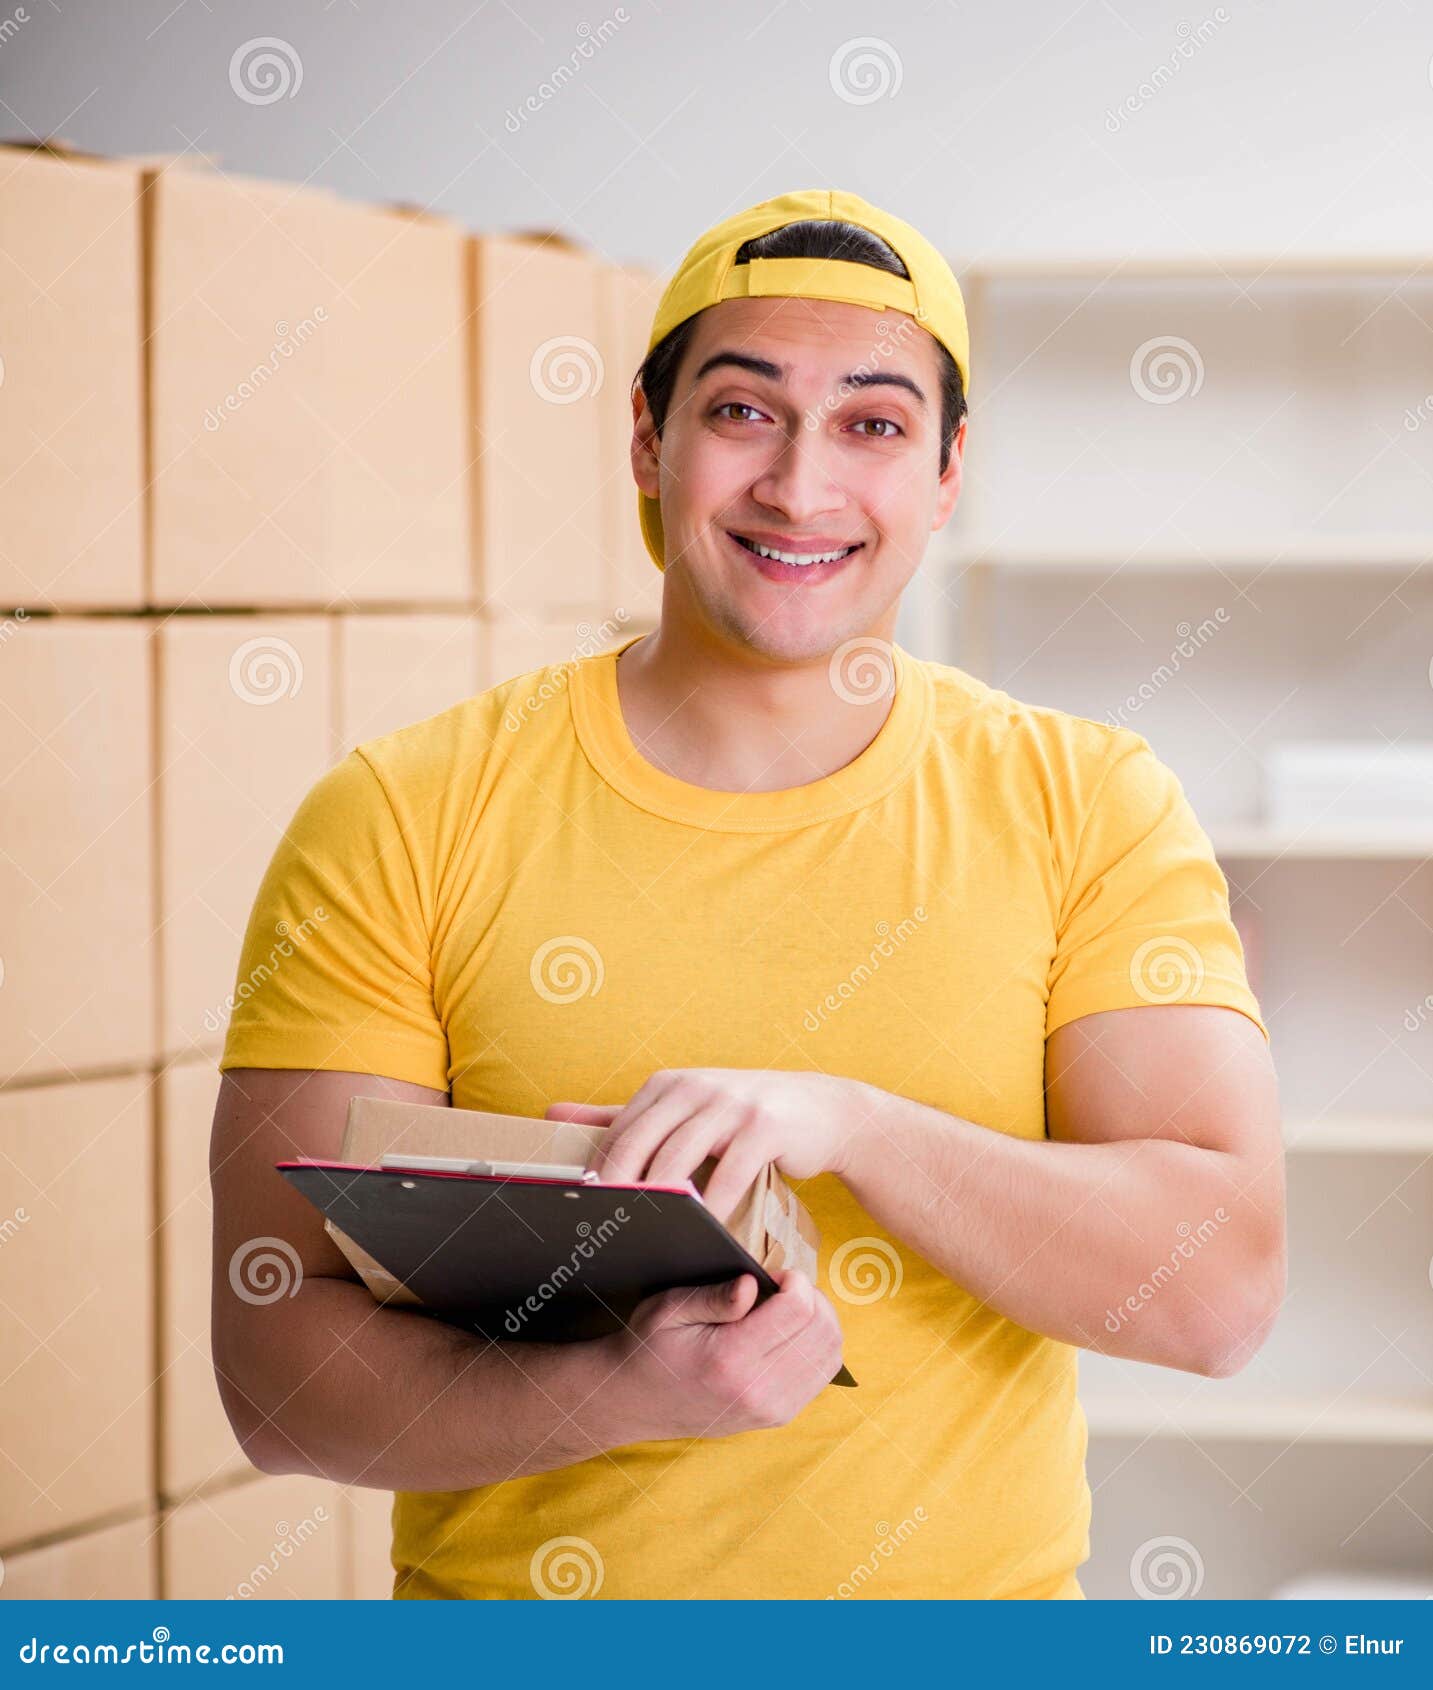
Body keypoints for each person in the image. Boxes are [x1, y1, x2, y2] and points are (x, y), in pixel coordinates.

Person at [211, 188, 1285, 1600]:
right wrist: (620, 1387)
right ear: (648, 445)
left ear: (949, 472)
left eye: (874, 423)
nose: (799, 483)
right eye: (740, 411)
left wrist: (855, 1125)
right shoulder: (405, 812)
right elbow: (277, 1370)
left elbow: (1217, 1296)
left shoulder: (1086, 802)